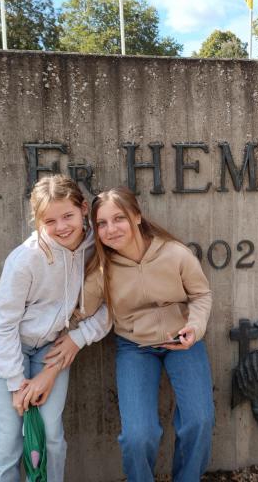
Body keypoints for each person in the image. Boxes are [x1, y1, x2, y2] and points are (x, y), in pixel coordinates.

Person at [79, 186, 214, 482]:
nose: (111, 229)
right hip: (135, 348)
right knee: (138, 435)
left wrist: (195, 326)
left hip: (182, 341)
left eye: (119, 218)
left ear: (137, 216)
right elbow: (77, 312)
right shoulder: (102, 271)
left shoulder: (174, 253)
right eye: (102, 223)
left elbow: (201, 294)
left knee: (199, 420)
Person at [0, 175, 109, 482]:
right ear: (37, 221)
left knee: (51, 435)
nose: (62, 227)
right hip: (10, 346)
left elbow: (112, 307)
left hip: (54, 347)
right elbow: (3, 322)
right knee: (6, 443)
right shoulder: (26, 259)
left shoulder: (99, 248)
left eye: (68, 216)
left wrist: (78, 338)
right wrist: (15, 383)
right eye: (49, 220)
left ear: (83, 209)